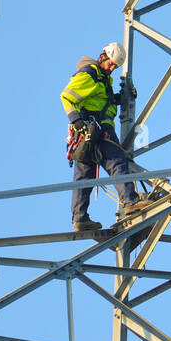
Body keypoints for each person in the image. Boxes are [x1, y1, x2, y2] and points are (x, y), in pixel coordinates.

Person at [61, 42, 146, 234]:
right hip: (97, 130)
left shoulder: (101, 79)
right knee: (117, 162)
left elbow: (98, 100)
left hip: (87, 136)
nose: (113, 68)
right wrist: (76, 120)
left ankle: (80, 219)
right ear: (103, 57)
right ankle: (131, 201)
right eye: (111, 64)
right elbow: (66, 96)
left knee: (84, 177)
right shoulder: (89, 74)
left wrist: (120, 98)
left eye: (116, 66)